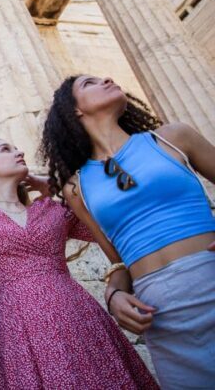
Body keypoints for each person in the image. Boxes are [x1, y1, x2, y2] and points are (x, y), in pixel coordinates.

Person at [0, 137, 157, 389]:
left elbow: (111, 228)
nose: (20, 151)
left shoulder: (52, 209)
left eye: (17, 147)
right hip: (15, 328)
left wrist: (53, 187)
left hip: (77, 317)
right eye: (7, 149)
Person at [40, 75, 215, 389]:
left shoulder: (173, 137)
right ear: (74, 110)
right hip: (162, 317)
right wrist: (115, 296)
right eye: (89, 83)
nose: (107, 78)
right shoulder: (75, 188)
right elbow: (119, 263)